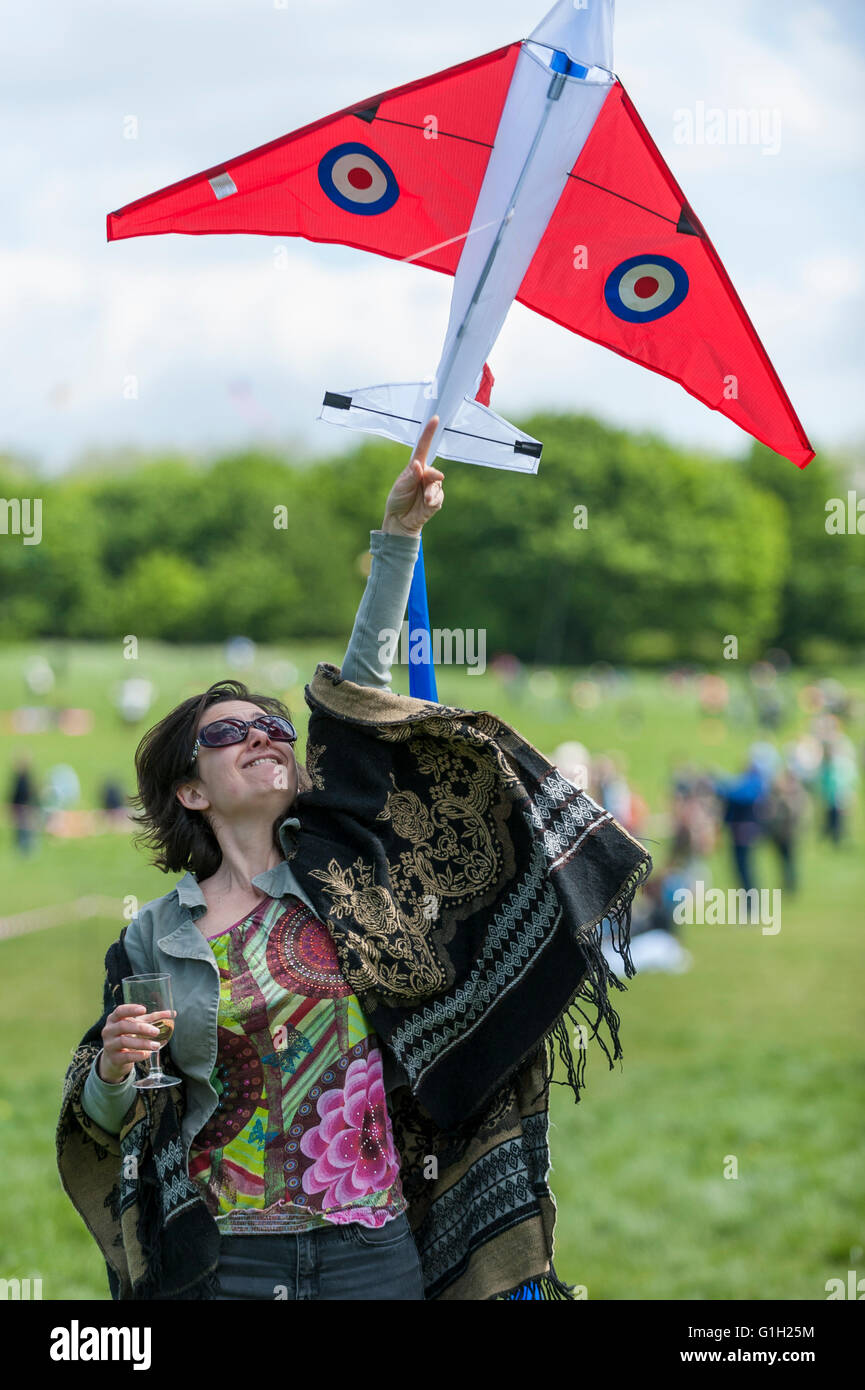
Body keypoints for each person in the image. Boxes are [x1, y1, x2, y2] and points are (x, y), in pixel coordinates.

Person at [57, 418, 651, 1301]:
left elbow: (359, 689)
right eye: (230, 734)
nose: (263, 736)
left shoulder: (347, 874)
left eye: (274, 728)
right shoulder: (153, 941)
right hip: (229, 1262)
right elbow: (120, 1121)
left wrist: (398, 537)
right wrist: (109, 1071)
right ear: (191, 791)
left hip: (372, 1251)